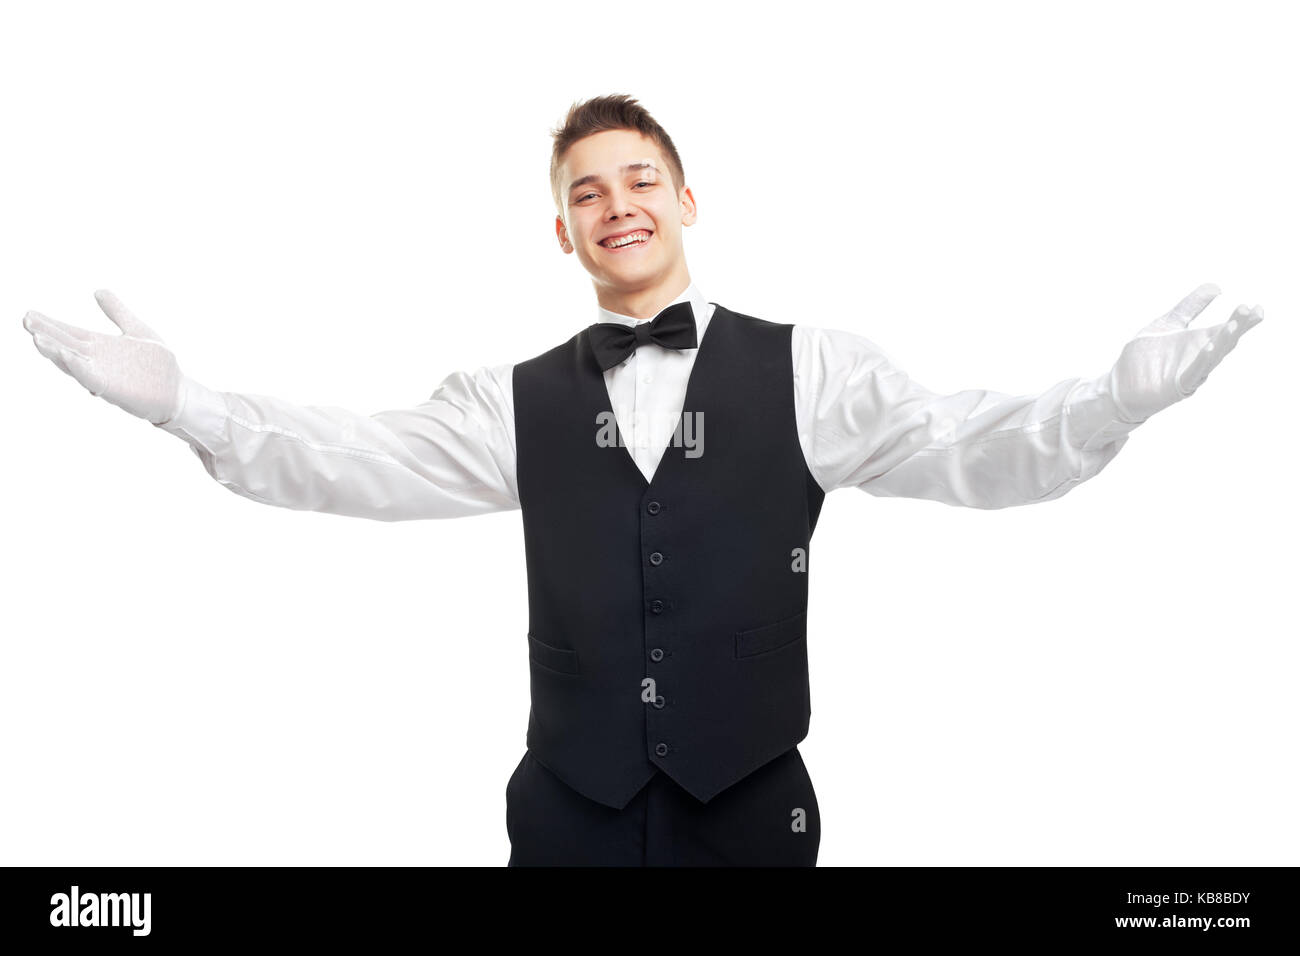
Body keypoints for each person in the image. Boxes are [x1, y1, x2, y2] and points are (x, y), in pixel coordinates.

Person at [21, 93, 1264, 866]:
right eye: (585, 191)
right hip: (567, 808)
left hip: (753, 804)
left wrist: (1114, 401)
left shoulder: (814, 369)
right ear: (561, 231)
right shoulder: (507, 399)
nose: (615, 204)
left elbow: (976, 447)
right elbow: (350, 459)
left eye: (637, 178)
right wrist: (187, 403)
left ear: (685, 197)